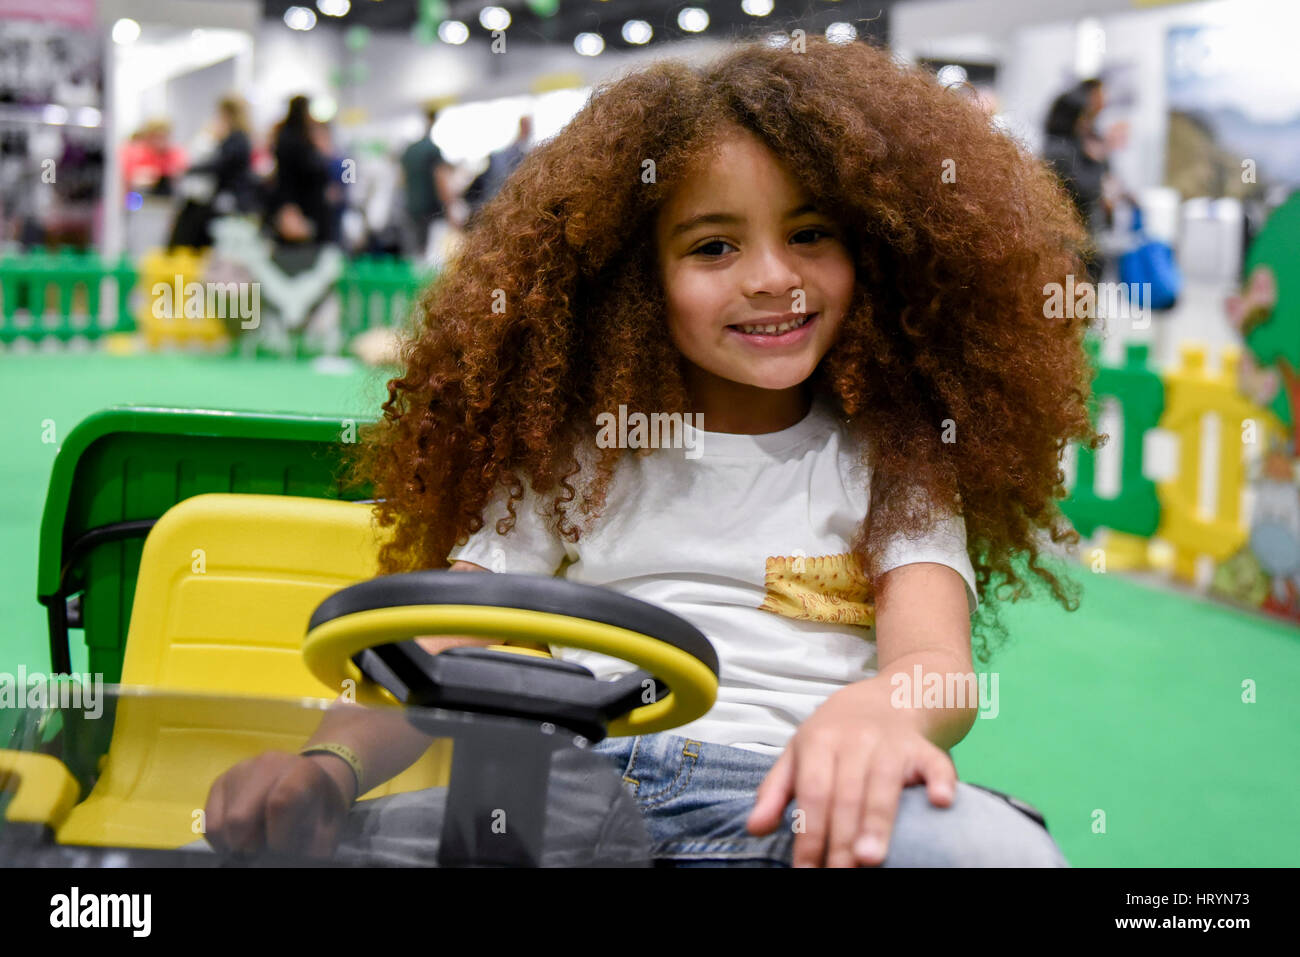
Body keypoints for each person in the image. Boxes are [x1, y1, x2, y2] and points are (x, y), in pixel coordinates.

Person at [204, 36, 1103, 868]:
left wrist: (875, 715)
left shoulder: (894, 460)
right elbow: (450, 633)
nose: (772, 278)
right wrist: (329, 763)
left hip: (792, 802)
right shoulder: (576, 454)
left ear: (874, 247)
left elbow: (935, 667)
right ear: (638, 279)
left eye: (811, 233)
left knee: (995, 851)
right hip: (565, 787)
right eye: (715, 245)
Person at [1042, 78, 1132, 285]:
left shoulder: (1080, 143)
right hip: (1072, 240)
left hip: (1087, 236)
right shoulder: (1060, 149)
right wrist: (1096, 162)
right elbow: (1084, 187)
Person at [168, 94, 258, 249]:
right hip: (225, 198)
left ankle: (182, 267)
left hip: (231, 200)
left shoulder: (237, 139)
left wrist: (189, 170)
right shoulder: (235, 138)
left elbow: (220, 166)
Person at [263, 95, 334, 245]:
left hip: (305, 205)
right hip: (300, 206)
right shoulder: (293, 139)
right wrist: (288, 207)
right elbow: (288, 177)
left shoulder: (293, 136)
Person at [398, 103, 457, 261]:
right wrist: (451, 211)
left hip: (412, 210)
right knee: (434, 259)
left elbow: (401, 181)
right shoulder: (432, 150)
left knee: (416, 257)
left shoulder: (409, 151)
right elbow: (441, 181)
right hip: (432, 213)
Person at [463, 114, 532, 226]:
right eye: (527, 126)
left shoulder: (515, 151)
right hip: (499, 207)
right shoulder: (512, 153)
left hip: (495, 208)